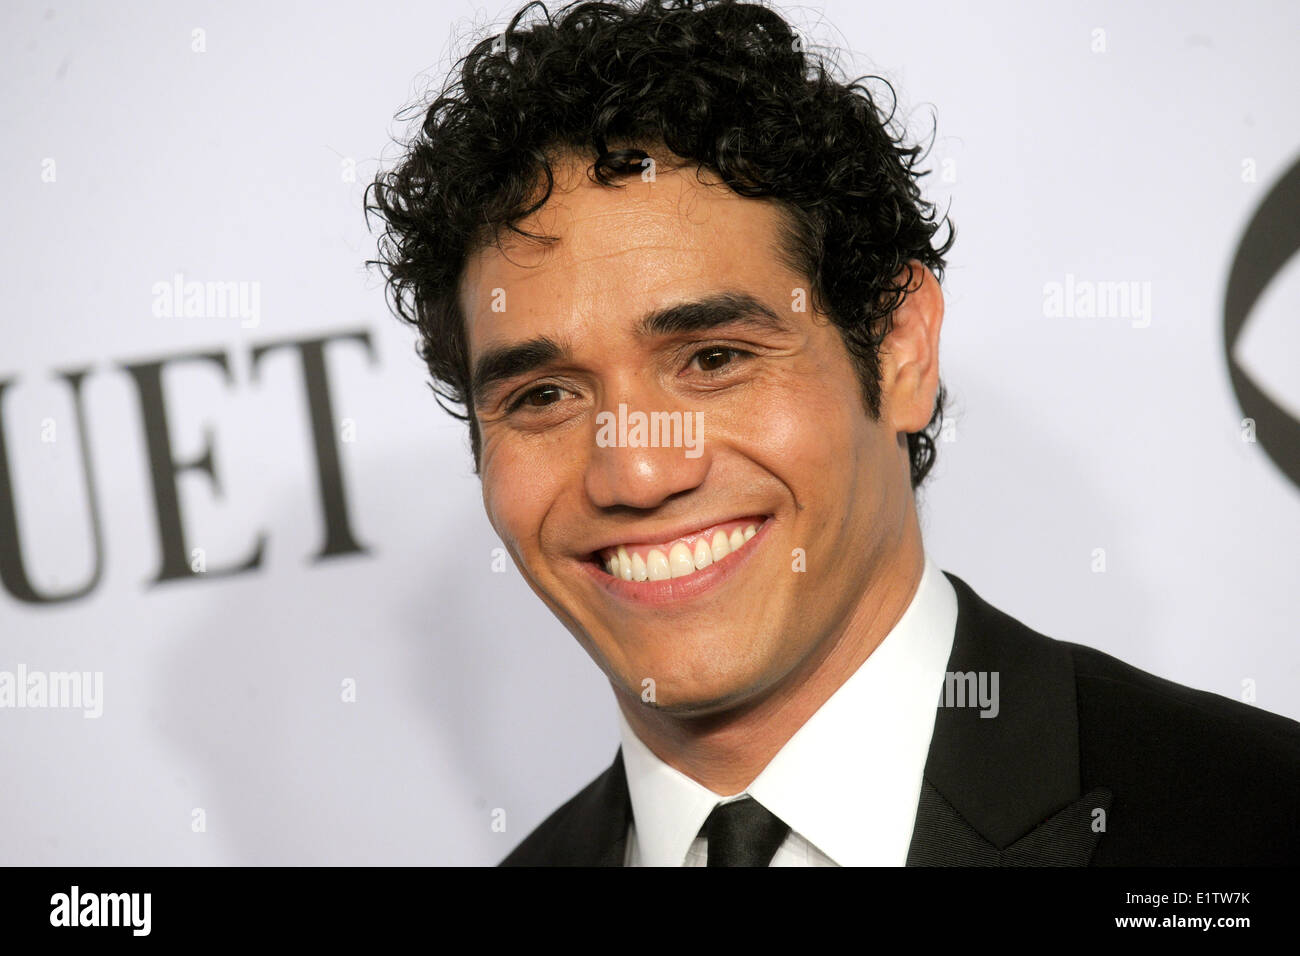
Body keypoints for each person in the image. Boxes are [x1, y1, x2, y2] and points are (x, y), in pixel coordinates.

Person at [365, 0, 1300, 865]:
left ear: (898, 352)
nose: (637, 469)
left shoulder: (1245, 820)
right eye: (543, 397)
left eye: (715, 359)